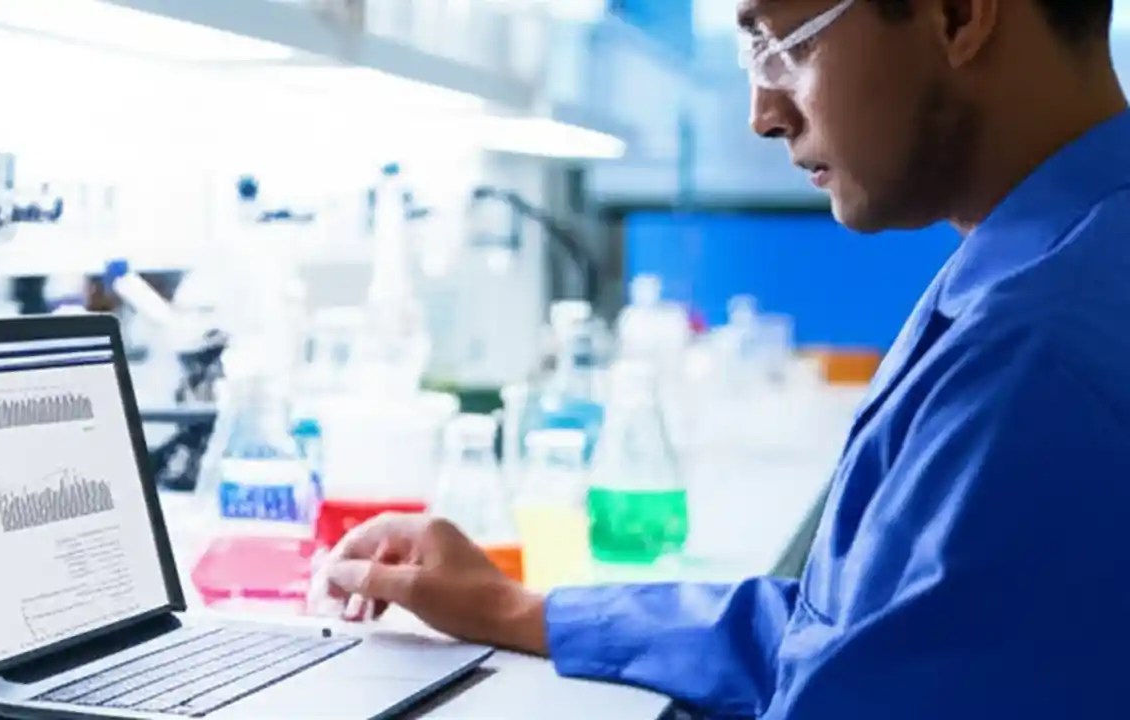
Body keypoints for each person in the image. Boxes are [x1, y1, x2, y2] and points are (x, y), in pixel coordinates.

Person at [317, 1, 1130, 717]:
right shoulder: (1052, 259)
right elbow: (852, 639)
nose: (763, 112)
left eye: (786, 44)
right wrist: (516, 609)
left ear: (957, 14)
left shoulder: (1040, 357)